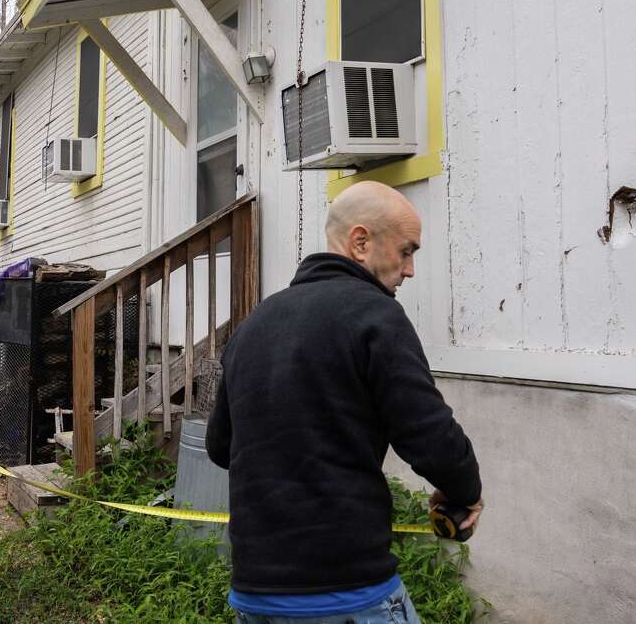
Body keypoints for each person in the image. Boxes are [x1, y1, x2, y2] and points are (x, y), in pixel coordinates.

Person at [206, 181, 483, 623]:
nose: (409, 269)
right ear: (360, 242)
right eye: (406, 251)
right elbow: (430, 435)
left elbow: (221, 446)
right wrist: (465, 492)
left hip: (255, 595)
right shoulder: (375, 314)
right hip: (350, 592)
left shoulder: (253, 325)